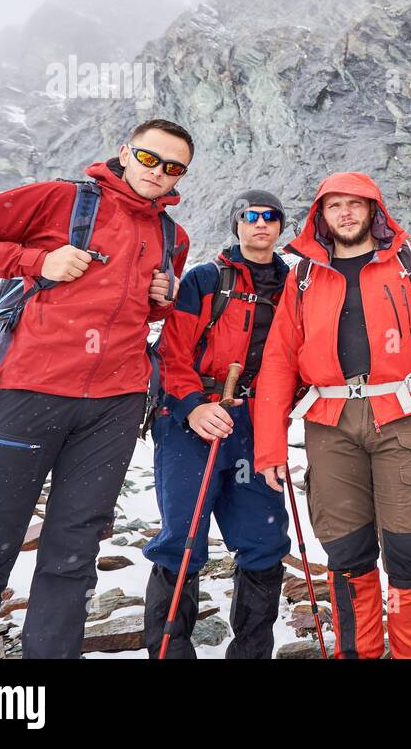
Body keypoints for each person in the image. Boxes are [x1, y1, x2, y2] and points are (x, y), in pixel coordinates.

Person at [0, 120, 193, 658]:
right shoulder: (59, 200)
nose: (159, 173)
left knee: (74, 554)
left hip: (113, 410)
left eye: (174, 167)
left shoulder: (171, 237)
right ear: (124, 153)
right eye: (150, 158)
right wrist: (35, 260)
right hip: (24, 396)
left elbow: (139, 311)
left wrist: (162, 297)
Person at [252, 172, 411, 659]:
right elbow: (280, 360)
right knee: (347, 554)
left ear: (373, 210)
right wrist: (269, 446)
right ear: (321, 216)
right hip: (328, 421)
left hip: (399, 415)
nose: (346, 213)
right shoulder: (303, 274)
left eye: (356, 204)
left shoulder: (409, 261)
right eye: (335, 206)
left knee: (409, 552)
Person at [143, 191, 293, 658]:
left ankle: (251, 653)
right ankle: (169, 652)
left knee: (264, 539)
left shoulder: (295, 285)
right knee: (182, 540)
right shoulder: (207, 279)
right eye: (250, 217)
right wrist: (192, 406)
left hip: (256, 422)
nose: (260, 224)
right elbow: (171, 350)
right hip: (192, 419)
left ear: (281, 226)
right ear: (237, 225)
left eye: (271, 217)